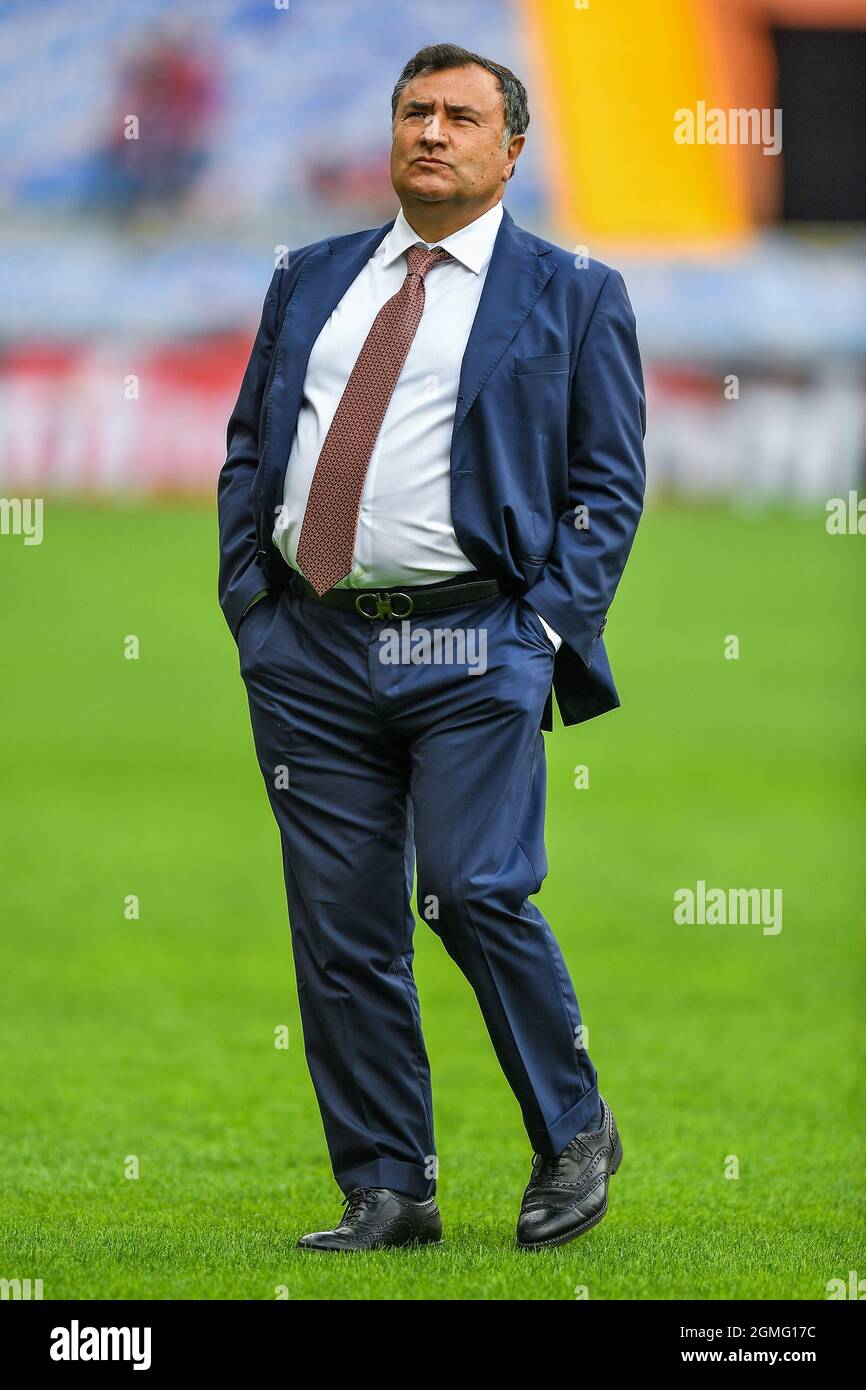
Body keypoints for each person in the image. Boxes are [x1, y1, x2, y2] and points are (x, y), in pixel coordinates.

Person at [217, 42, 645, 1252]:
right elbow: (252, 444)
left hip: (472, 641)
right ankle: (389, 1188)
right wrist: (250, 603)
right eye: (415, 112)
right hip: (309, 647)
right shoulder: (308, 276)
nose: (432, 133)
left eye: (461, 116)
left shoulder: (572, 291)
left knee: (469, 889)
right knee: (341, 925)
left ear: (512, 147)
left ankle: (573, 1126)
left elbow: (606, 484)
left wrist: (547, 626)